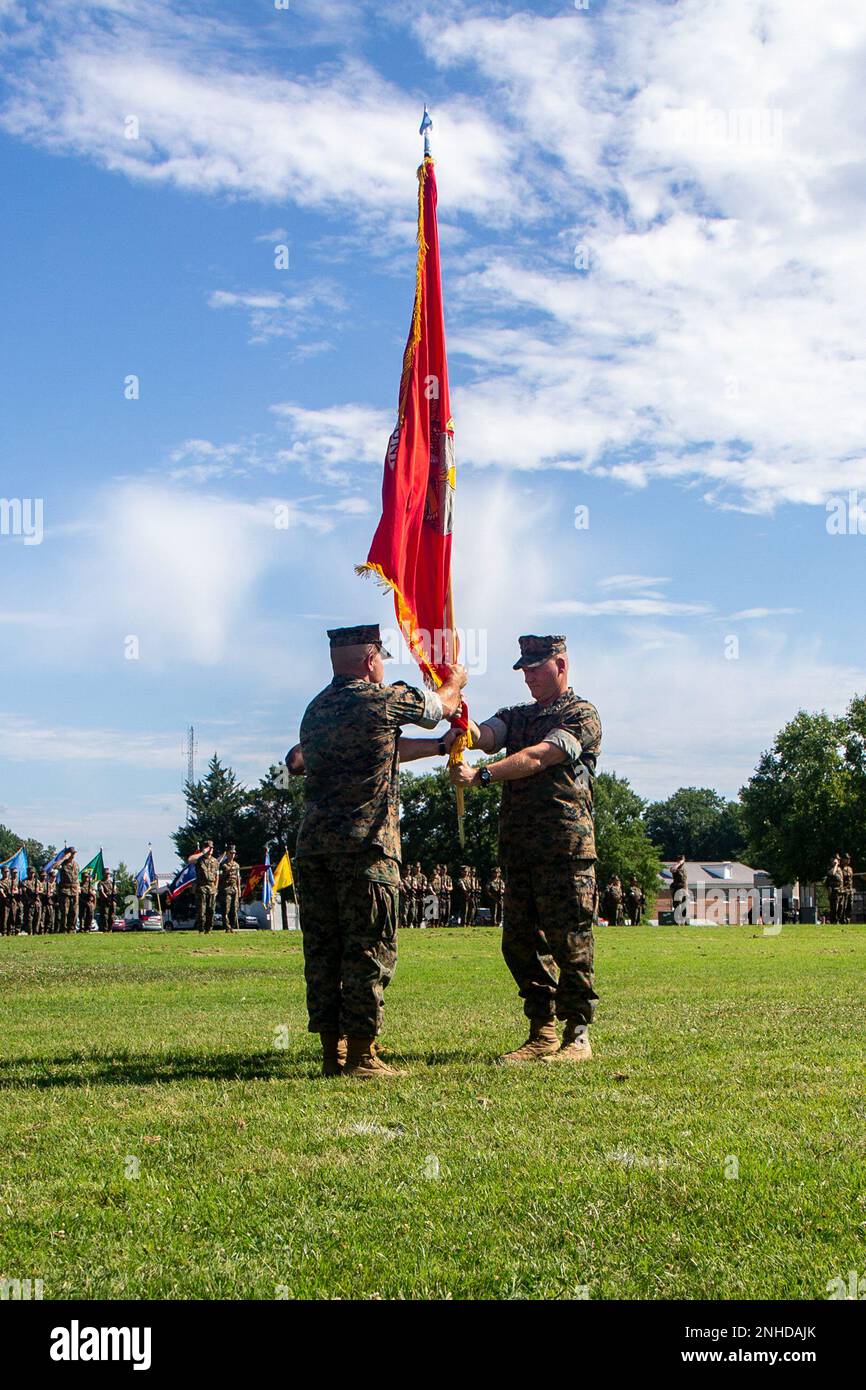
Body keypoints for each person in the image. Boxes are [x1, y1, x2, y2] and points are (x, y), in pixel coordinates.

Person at [287, 623, 466, 1078]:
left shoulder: (316, 710)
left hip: (314, 851)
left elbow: (381, 748)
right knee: (369, 949)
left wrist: (439, 748)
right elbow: (441, 706)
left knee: (324, 953)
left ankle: (333, 1054)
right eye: (382, 659)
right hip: (366, 848)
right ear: (371, 660)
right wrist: (456, 680)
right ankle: (363, 1057)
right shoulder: (382, 700)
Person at [449, 633, 601, 1064]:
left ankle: (578, 1034)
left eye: (537, 668)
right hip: (519, 851)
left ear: (561, 665)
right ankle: (543, 1031)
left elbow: (539, 756)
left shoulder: (580, 714)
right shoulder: (517, 715)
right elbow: (486, 735)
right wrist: (460, 716)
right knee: (518, 943)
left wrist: (482, 776)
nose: (530, 677)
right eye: (525, 670)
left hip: (565, 849)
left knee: (569, 940)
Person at [188, 841, 219, 933]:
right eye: (209, 847)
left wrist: (216, 888)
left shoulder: (215, 861)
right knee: (201, 910)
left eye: (212, 848)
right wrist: (202, 852)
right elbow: (190, 859)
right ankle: (201, 929)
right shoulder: (199, 859)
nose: (211, 849)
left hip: (212, 887)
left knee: (211, 910)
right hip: (201, 887)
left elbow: (217, 876)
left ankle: (208, 929)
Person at [220, 845, 242, 933]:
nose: (233, 855)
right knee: (226, 909)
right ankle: (227, 927)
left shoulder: (236, 865)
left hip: (234, 888)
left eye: (234, 853)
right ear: (227, 853)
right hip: (226, 888)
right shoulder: (223, 865)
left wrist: (239, 889)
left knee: (234, 908)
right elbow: (219, 877)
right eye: (231, 853)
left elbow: (238, 878)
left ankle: (232, 926)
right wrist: (226, 872)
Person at [57, 850, 79, 934]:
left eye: (74, 853)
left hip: (74, 889)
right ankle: (63, 928)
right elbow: (54, 866)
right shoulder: (63, 864)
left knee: (74, 910)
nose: (73, 855)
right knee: (65, 911)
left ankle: (72, 928)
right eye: (71, 853)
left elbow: (77, 877)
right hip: (65, 890)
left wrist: (78, 887)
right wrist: (63, 858)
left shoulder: (76, 864)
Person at [670, 855, 689, 924]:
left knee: (684, 906)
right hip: (677, 889)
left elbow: (685, 881)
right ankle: (677, 922)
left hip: (684, 889)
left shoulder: (684, 869)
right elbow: (672, 870)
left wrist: (687, 891)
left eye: (683, 860)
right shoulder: (675, 868)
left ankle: (685, 922)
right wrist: (678, 863)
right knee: (677, 906)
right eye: (681, 860)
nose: (683, 862)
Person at [825, 855, 843, 924]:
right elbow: (832, 874)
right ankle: (834, 921)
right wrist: (835, 865)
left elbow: (841, 880)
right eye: (835, 860)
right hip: (833, 891)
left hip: (840, 891)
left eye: (838, 860)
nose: (837, 861)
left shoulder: (839, 869)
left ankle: (838, 920)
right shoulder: (830, 868)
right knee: (834, 907)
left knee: (840, 907)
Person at [840, 854, 854, 925]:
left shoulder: (850, 868)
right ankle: (842, 920)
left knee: (850, 905)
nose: (848, 860)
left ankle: (848, 919)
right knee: (843, 906)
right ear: (843, 859)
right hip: (844, 890)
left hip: (850, 889)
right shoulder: (840, 869)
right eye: (847, 859)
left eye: (849, 859)